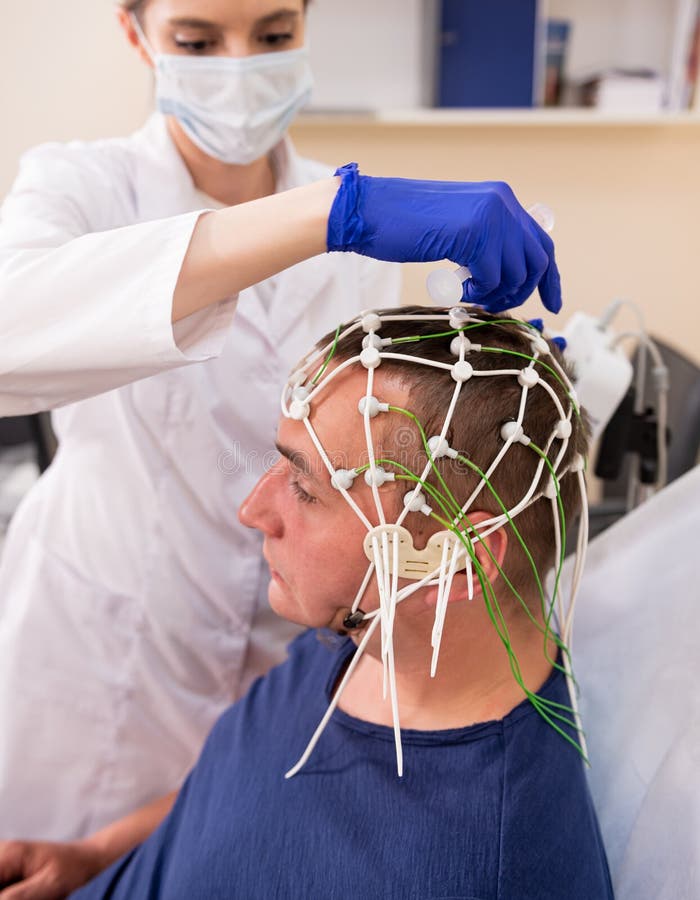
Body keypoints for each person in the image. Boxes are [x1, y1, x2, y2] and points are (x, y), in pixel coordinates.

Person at [0, 0, 562, 842]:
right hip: (109, 658)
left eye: (271, 34)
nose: (237, 65)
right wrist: (330, 219)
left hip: (286, 662)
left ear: (306, 22)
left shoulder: (368, 224)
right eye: (197, 40)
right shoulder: (84, 184)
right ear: (135, 33)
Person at [0, 307, 611, 899]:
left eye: (305, 488)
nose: (253, 511)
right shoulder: (371, 631)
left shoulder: (479, 868)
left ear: (458, 560)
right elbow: (246, 791)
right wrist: (94, 859)